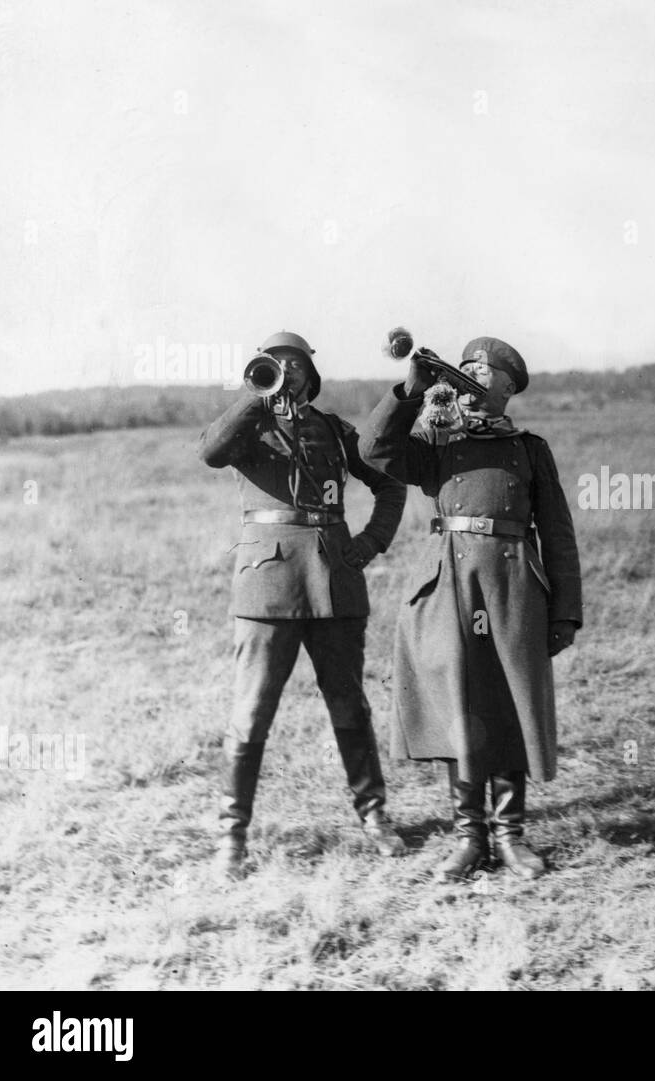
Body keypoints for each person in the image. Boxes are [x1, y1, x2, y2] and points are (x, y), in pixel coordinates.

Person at [360, 336, 582, 882]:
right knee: (460, 708)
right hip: (452, 584)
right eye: (466, 374)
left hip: (512, 589)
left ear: (508, 387)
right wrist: (407, 393)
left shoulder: (530, 449)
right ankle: (469, 837)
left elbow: (557, 534)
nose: (474, 383)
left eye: (486, 376)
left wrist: (565, 612)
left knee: (509, 707)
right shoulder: (437, 444)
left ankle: (510, 836)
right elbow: (373, 451)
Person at [198, 330, 408, 878]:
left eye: (294, 364)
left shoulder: (335, 431)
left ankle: (375, 816)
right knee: (251, 713)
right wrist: (254, 394)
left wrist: (370, 543)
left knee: (350, 705)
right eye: (274, 364)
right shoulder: (248, 426)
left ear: (312, 375)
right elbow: (210, 452)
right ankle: (231, 837)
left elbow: (389, 483)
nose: (286, 371)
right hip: (266, 587)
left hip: (335, 583)